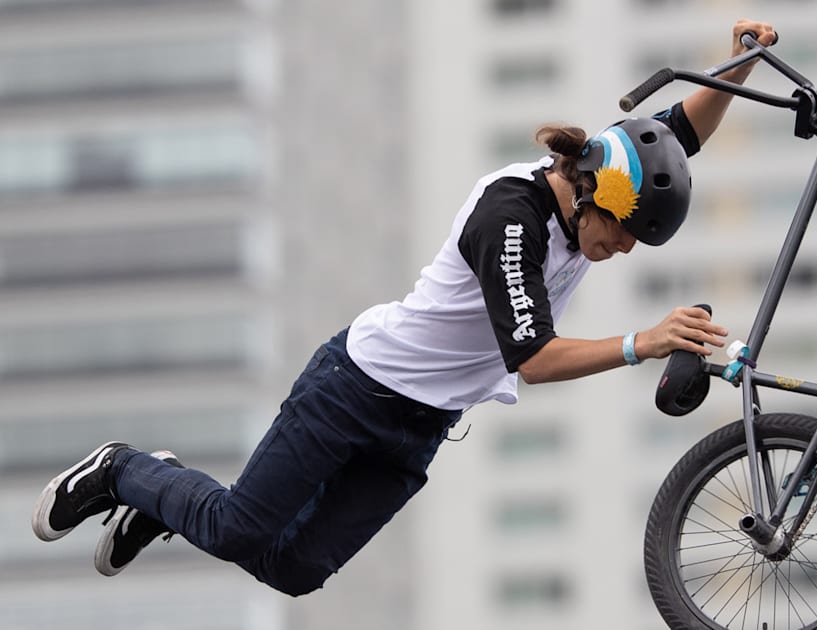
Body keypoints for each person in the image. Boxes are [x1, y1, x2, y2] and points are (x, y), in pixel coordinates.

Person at [31, 19, 778, 596]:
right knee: (234, 529)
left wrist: (737, 66)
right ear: (595, 195)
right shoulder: (509, 220)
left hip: (419, 430)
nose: (617, 251)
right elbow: (536, 360)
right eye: (620, 236)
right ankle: (126, 470)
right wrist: (639, 342)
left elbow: (679, 134)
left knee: (295, 570)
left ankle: (160, 503)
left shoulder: (609, 173)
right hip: (354, 390)